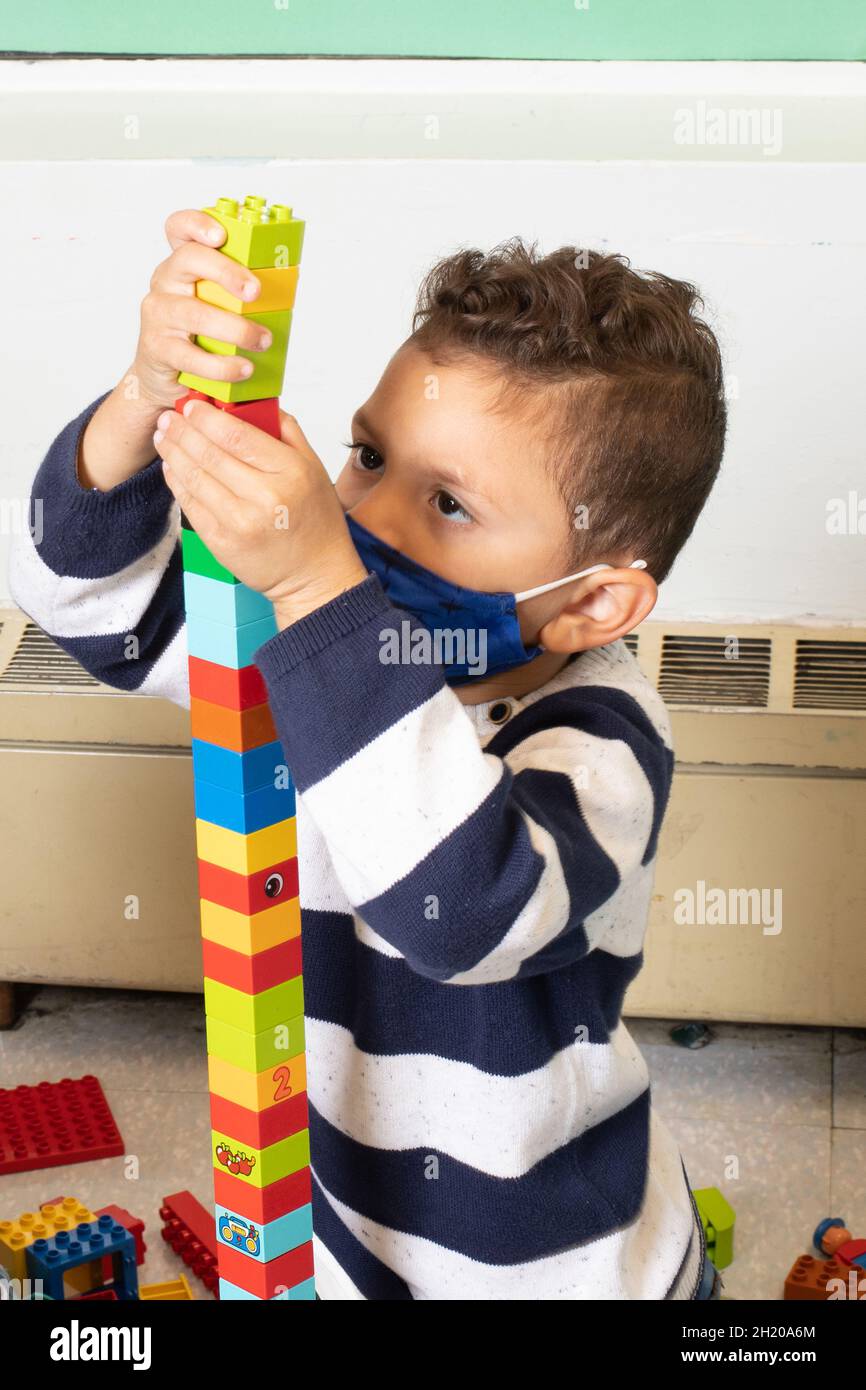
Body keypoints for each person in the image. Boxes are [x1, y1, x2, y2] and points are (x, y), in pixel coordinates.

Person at [8, 210, 727, 1299]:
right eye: (369, 456)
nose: (364, 521)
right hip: (341, 1217)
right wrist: (141, 401)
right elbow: (90, 606)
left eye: (446, 503)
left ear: (591, 603)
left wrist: (312, 591)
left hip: (546, 1259)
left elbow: (465, 907)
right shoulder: (313, 647)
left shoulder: (600, 739)